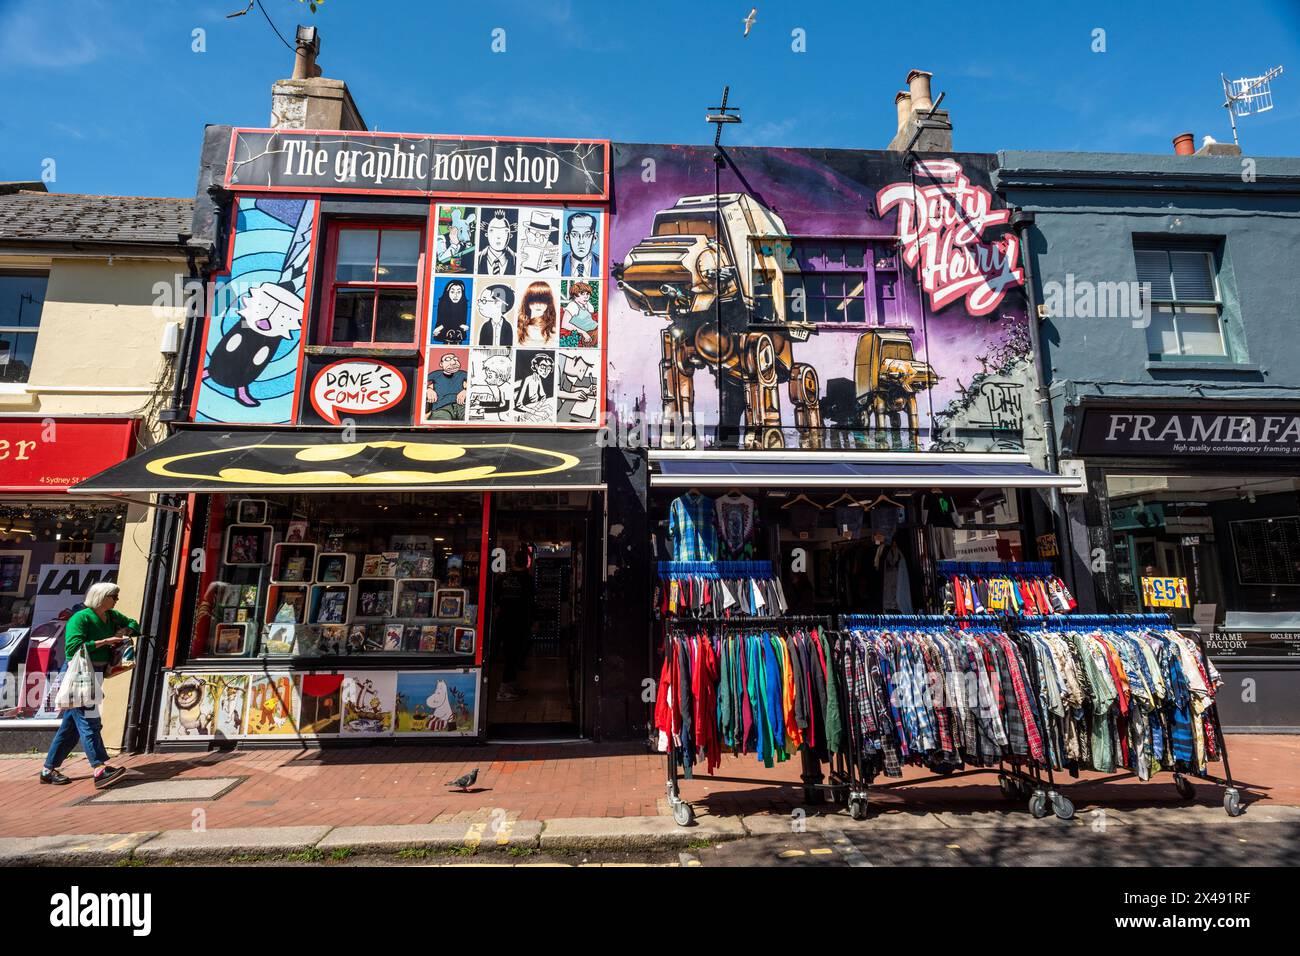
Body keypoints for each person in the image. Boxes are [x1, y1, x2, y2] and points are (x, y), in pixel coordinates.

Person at [40, 582, 136, 788]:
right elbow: (73, 649)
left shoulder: (111, 616)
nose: (117, 599)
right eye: (113, 596)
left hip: (97, 672)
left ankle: (48, 769)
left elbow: (133, 623)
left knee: (71, 727)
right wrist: (104, 641)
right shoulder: (80, 618)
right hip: (80, 672)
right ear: (101, 597)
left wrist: (125, 631)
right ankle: (99, 768)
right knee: (89, 720)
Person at [493, 550, 534, 701]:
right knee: (514, 655)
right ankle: (503, 690)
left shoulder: (503, 579)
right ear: (526, 562)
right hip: (519, 622)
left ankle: (511, 685)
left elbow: (495, 598)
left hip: (503, 621)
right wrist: (533, 621)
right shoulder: (527, 580)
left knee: (510, 654)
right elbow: (530, 603)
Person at [425, 351, 468, 421]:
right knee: (441, 421)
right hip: (442, 408)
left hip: (462, 406)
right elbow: (420, 382)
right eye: (447, 360)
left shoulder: (462, 374)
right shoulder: (436, 374)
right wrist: (428, 389)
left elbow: (476, 383)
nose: (453, 362)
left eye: (455, 359)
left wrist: (466, 390)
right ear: (441, 364)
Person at [517, 281, 558, 346]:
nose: (538, 305)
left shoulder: (553, 327)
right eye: (534, 301)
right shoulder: (519, 325)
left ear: (548, 303)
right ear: (527, 302)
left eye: (543, 300)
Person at [561, 211, 600, 278]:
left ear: (595, 238)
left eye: (587, 235)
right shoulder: (559, 264)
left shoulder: (602, 264)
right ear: (567, 238)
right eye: (575, 235)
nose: (581, 241)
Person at [430, 280, 469, 344]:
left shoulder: (464, 304)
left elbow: (462, 322)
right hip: (445, 335)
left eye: (459, 292)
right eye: (452, 292)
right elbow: (443, 321)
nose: (455, 295)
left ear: (462, 293)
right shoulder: (443, 303)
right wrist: (439, 328)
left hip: (458, 337)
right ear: (448, 292)